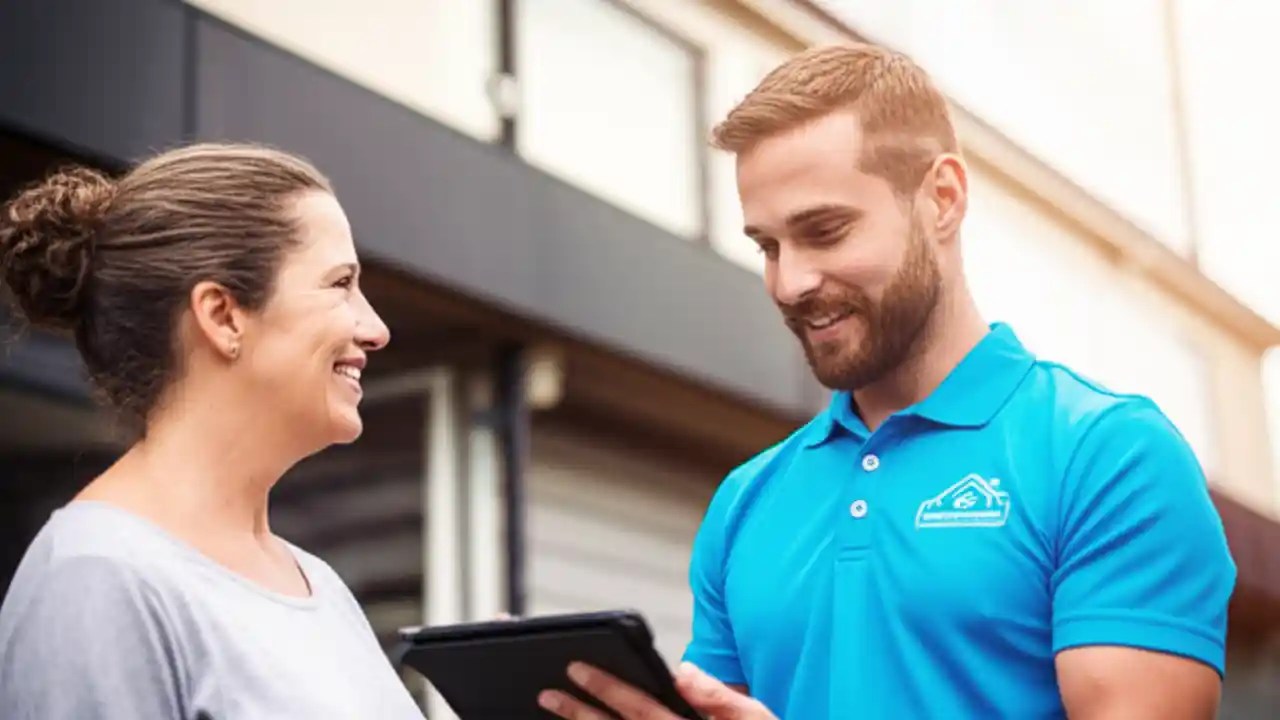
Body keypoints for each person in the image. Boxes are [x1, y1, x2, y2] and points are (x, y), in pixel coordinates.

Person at [543, 43, 1235, 720]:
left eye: (825, 230)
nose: (790, 282)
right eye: (768, 245)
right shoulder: (746, 502)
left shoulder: (1109, 458)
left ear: (941, 199)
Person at [0, 142, 425, 718]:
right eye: (339, 284)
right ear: (223, 316)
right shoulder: (97, 578)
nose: (375, 329)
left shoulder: (319, 588)